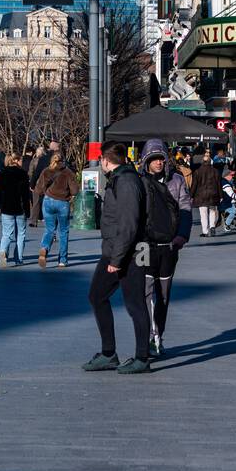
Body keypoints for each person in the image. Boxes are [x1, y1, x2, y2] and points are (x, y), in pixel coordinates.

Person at [84, 142, 152, 374]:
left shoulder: (126, 182)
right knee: (97, 295)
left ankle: (141, 357)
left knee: (135, 304)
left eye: (100, 159)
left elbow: (128, 224)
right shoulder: (121, 178)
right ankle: (109, 352)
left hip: (128, 253)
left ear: (105, 159)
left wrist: (116, 260)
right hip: (118, 250)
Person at [138, 139, 192, 357]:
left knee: (163, 294)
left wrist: (182, 236)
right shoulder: (139, 182)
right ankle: (148, 336)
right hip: (144, 245)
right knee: (144, 292)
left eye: (161, 158)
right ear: (146, 161)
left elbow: (186, 209)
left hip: (169, 245)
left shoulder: (177, 181)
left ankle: (157, 334)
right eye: (153, 159)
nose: (158, 162)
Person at [33, 152, 79, 268]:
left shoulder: (46, 171)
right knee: (63, 232)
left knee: (49, 229)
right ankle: (62, 260)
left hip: (48, 201)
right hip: (63, 203)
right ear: (63, 160)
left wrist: (46, 192)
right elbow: (75, 190)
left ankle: (44, 248)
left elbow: (38, 189)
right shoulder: (68, 172)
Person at [0, 154, 32, 267]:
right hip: (20, 208)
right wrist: (28, 210)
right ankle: (18, 258)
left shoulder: (2, 174)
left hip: (6, 208)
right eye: (21, 160)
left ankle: (3, 253)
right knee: (21, 234)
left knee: (7, 234)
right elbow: (25, 195)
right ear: (17, 160)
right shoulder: (23, 174)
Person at [190, 149, 223, 236]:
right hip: (213, 194)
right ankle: (212, 226)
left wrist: (191, 195)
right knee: (212, 211)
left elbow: (194, 185)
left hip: (201, 195)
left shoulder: (197, 172)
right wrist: (221, 195)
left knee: (203, 213)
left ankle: (205, 231)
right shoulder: (215, 171)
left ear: (202, 162)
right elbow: (219, 184)